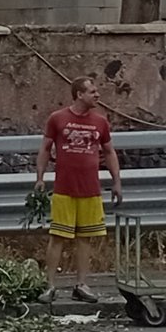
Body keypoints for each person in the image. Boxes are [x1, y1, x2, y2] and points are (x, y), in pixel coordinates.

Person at [36, 75, 121, 300]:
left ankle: (82, 285)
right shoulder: (57, 118)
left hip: (90, 189)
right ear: (79, 94)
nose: (97, 95)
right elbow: (45, 149)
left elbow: (109, 152)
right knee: (58, 236)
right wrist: (40, 178)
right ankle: (50, 286)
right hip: (64, 189)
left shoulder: (100, 122)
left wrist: (116, 181)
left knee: (85, 237)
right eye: (92, 92)